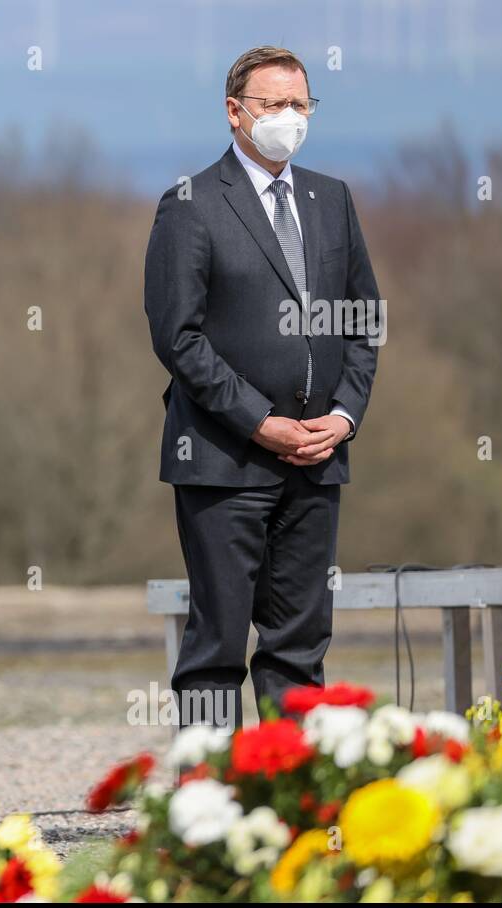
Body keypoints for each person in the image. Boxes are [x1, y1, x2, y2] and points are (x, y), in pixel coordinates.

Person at [144, 46, 380, 726]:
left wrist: (345, 414)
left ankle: (290, 813)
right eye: (272, 104)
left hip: (317, 459)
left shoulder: (330, 200)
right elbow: (177, 336)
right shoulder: (190, 205)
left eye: (299, 105)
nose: (288, 117)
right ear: (234, 112)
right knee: (217, 645)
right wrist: (257, 421)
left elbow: (364, 318)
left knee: (300, 650)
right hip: (225, 461)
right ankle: (210, 816)